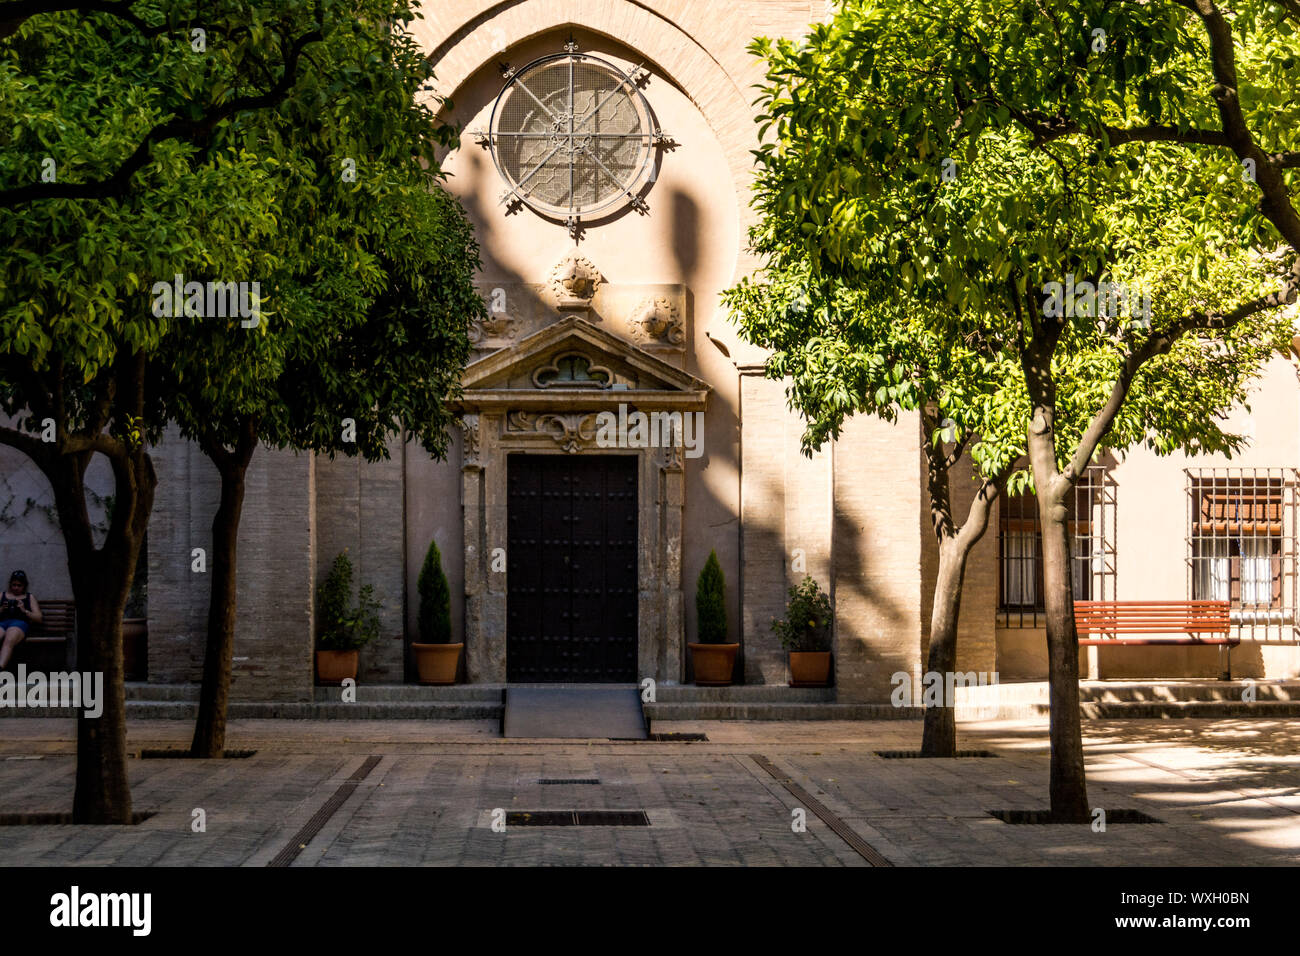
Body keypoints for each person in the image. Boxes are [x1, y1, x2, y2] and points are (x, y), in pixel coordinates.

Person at [0, 570, 43, 670]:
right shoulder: (2, 595)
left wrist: (25, 611)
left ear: (24, 585)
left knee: (9, 639)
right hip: (2, 623)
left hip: (19, 623)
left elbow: (39, 618)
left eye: (19, 585)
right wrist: (1, 609)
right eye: (13, 585)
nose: (16, 588)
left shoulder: (29, 597)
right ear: (10, 584)